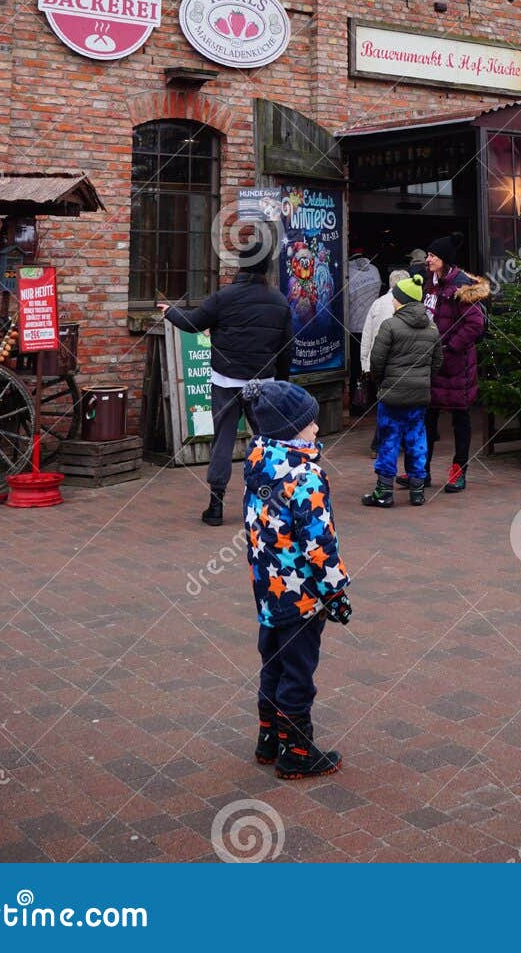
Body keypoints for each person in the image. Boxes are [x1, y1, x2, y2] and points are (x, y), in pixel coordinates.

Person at [242, 378, 351, 778]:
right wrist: (335, 590)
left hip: (268, 590)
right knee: (298, 671)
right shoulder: (305, 474)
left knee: (272, 662)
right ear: (291, 431)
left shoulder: (258, 464)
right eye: (310, 424)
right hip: (301, 593)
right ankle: (297, 751)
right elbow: (319, 543)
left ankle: (268, 737)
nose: (317, 430)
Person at [159, 240, 293, 526]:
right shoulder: (279, 301)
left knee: (223, 439)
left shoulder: (225, 296)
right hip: (264, 382)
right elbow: (287, 348)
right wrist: (282, 382)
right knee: (267, 441)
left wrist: (170, 311)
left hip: (225, 381)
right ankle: (273, 502)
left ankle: (216, 505)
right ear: (267, 267)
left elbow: (193, 323)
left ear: (241, 266)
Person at [362, 272, 442, 509]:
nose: (393, 301)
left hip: (392, 396)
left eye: (396, 297)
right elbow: (437, 361)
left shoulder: (390, 326)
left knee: (389, 440)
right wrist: (423, 380)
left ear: (403, 300)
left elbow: (377, 361)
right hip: (419, 396)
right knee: (417, 440)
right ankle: (417, 491)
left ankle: (384, 492)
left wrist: (382, 381)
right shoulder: (432, 328)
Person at [419, 233, 489, 494]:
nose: (428, 259)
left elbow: (475, 324)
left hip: (456, 365)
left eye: (433, 256)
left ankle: (458, 471)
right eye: (428, 255)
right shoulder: (430, 284)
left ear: (444, 259)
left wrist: (450, 348)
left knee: (460, 418)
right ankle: (421, 470)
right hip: (433, 364)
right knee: (427, 417)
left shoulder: (461, 287)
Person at [346, 247, 381, 404]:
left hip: (354, 326)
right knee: (374, 362)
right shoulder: (374, 270)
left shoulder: (346, 271)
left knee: (355, 366)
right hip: (374, 325)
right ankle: (374, 398)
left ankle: (355, 401)